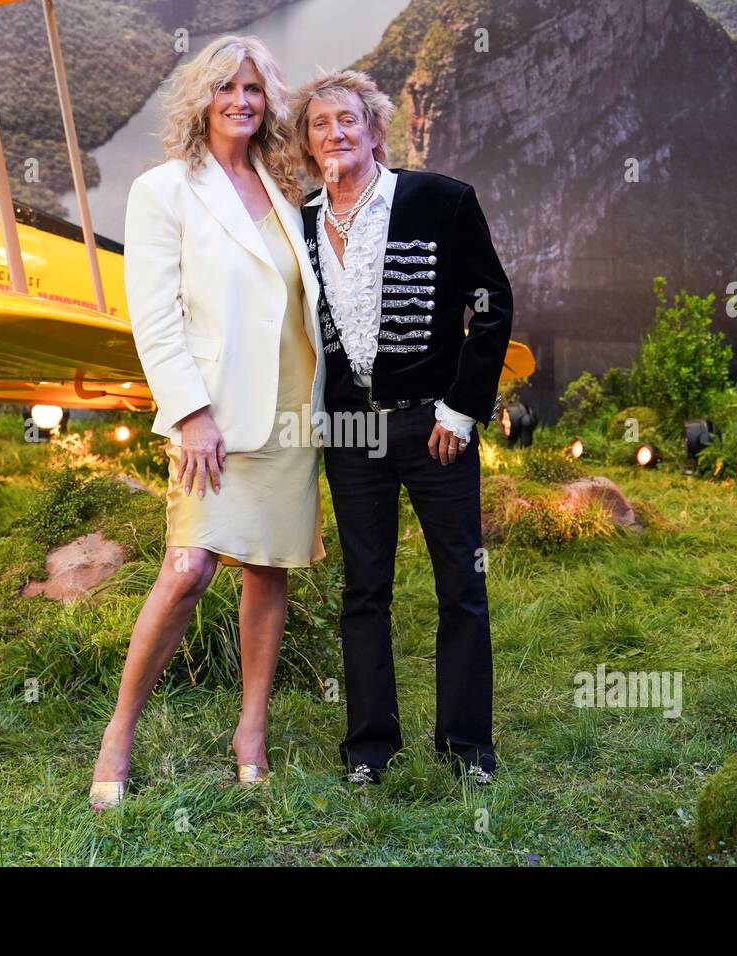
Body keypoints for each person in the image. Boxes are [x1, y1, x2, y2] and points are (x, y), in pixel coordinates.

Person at [89, 36, 325, 810]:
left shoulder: (283, 186)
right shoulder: (164, 189)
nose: (242, 100)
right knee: (188, 566)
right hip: (214, 414)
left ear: (268, 101)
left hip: (293, 408)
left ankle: (250, 732)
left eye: (254, 88)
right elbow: (154, 316)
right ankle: (119, 731)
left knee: (269, 568)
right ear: (202, 97)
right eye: (226, 86)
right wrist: (190, 413)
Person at [292, 70, 513, 785]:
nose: (336, 134)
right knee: (364, 591)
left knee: (461, 585)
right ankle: (368, 749)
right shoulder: (299, 222)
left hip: (434, 424)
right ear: (307, 140)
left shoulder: (442, 200)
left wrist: (461, 407)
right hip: (351, 434)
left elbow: (492, 305)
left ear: (375, 128)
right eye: (320, 124)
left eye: (348, 120)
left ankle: (467, 749)